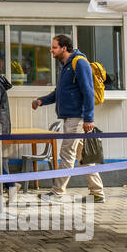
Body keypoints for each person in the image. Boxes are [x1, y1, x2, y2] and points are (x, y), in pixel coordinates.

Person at [31, 34, 104, 203]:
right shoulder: (65, 66)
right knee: (84, 159)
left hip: (77, 119)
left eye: (54, 47)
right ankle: (98, 192)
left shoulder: (79, 63)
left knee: (66, 155)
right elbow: (60, 92)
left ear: (64, 48)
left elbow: (88, 92)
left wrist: (88, 118)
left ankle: (57, 192)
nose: (51, 50)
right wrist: (41, 101)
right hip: (73, 118)